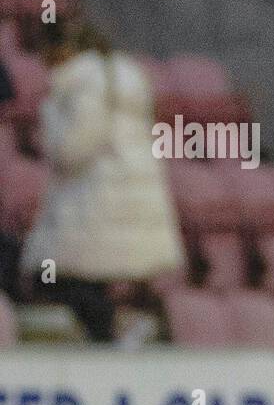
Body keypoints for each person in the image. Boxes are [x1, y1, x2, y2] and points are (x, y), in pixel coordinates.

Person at [20, 19, 183, 341]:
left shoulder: (80, 82)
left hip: (95, 199)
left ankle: (112, 331)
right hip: (128, 197)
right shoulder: (128, 73)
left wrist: (49, 115)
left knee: (50, 276)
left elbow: (71, 149)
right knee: (89, 279)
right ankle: (120, 332)